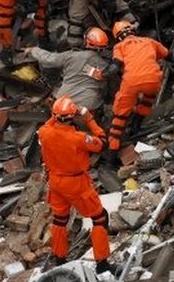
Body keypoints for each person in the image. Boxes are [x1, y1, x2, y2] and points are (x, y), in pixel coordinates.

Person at [37, 96, 115, 274]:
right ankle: (102, 264)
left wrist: (58, 113)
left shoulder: (44, 132)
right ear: (73, 116)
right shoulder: (79, 138)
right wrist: (89, 119)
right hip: (76, 183)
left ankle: (60, 259)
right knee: (100, 218)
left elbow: (51, 122)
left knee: (60, 219)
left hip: (55, 181)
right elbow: (102, 142)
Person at [107, 21, 174, 152]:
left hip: (131, 82)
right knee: (148, 98)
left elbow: (115, 67)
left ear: (117, 37)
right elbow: (171, 56)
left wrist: (102, 75)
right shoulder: (149, 41)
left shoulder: (119, 47)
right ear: (133, 31)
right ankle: (136, 126)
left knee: (120, 116)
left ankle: (112, 153)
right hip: (152, 80)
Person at [25, 27, 112, 112]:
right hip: (89, 104)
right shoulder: (106, 65)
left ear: (86, 41)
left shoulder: (72, 56)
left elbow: (49, 59)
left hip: (64, 102)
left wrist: (33, 50)